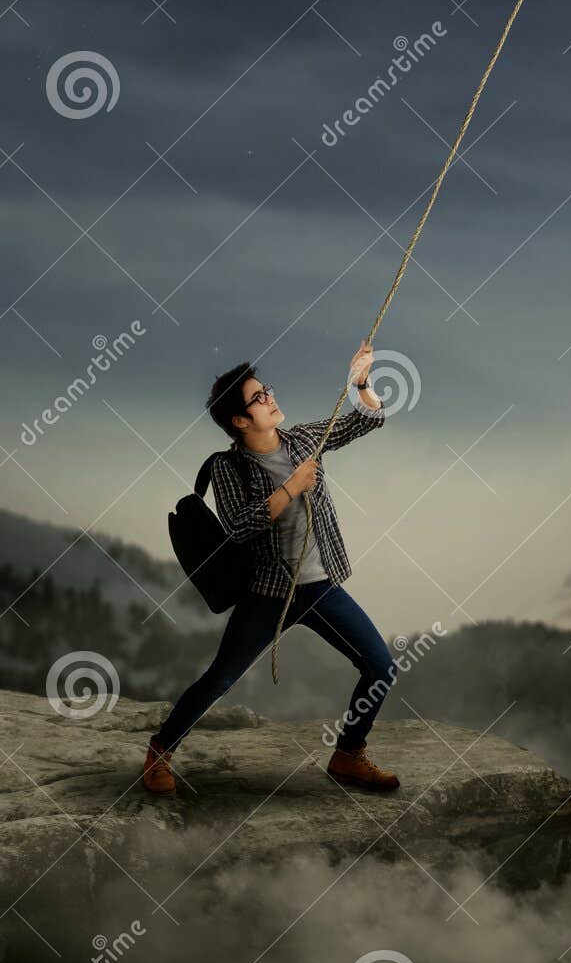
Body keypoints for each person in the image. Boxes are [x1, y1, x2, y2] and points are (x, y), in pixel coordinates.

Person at [142, 341, 399, 796]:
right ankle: (160, 751)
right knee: (219, 679)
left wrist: (360, 381)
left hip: (319, 587)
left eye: (268, 390)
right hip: (266, 593)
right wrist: (292, 487)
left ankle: (347, 754)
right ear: (240, 421)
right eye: (259, 398)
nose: (271, 398)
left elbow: (368, 420)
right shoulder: (230, 467)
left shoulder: (302, 439)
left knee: (380, 666)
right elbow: (240, 527)